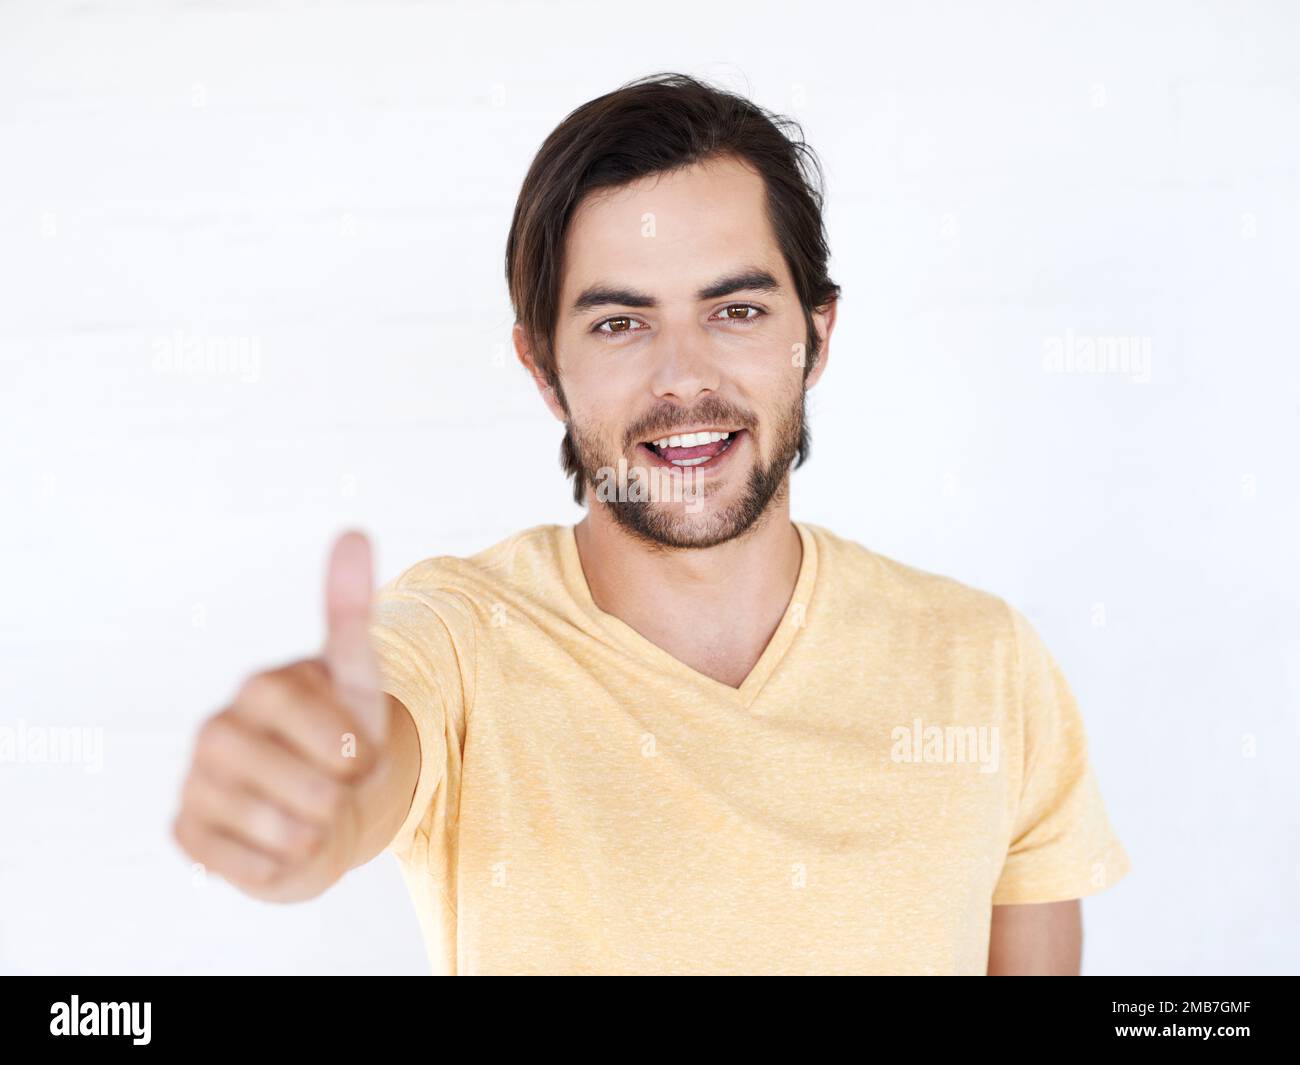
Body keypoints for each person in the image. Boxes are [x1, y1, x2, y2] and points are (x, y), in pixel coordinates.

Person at [172, 71, 1131, 975]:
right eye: (620, 323)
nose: (684, 376)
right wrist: (310, 795)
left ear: (818, 337)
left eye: (738, 309)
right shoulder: (459, 642)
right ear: (544, 368)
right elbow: (364, 764)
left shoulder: (985, 660)